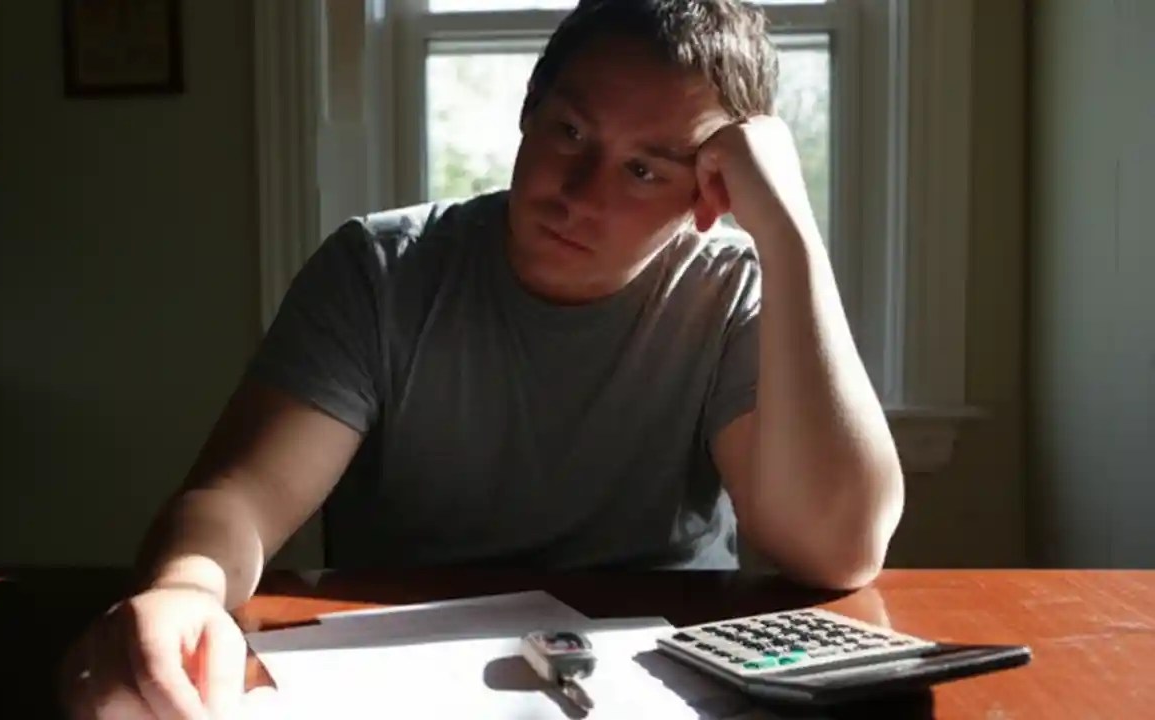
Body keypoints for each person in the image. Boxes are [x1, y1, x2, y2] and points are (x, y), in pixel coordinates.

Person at [61, 1, 904, 717]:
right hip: (391, 684)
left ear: (708, 195)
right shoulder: (381, 271)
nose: (579, 191)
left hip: (653, 691)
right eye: (569, 130)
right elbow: (239, 499)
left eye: (646, 169)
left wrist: (789, 233)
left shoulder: (730, 291)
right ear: (529, 108)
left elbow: (837, 549)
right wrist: (184, 590)